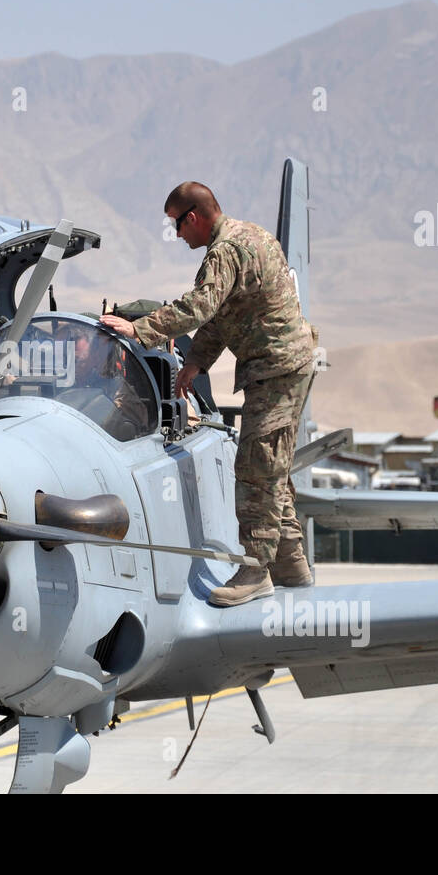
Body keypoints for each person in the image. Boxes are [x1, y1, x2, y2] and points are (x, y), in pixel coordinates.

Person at [100, 181, 318, 606]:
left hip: (276, 368)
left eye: (177, 226)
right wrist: (197, 361)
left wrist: (139, 329)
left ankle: (256, 571)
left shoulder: (224, 253)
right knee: (271, 465)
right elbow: (222, 315)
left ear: (193, 217)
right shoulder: (252, 236)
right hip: (285, 365)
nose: (178, 235)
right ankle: (291, 564)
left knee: (256, 468)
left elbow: (199, 306)